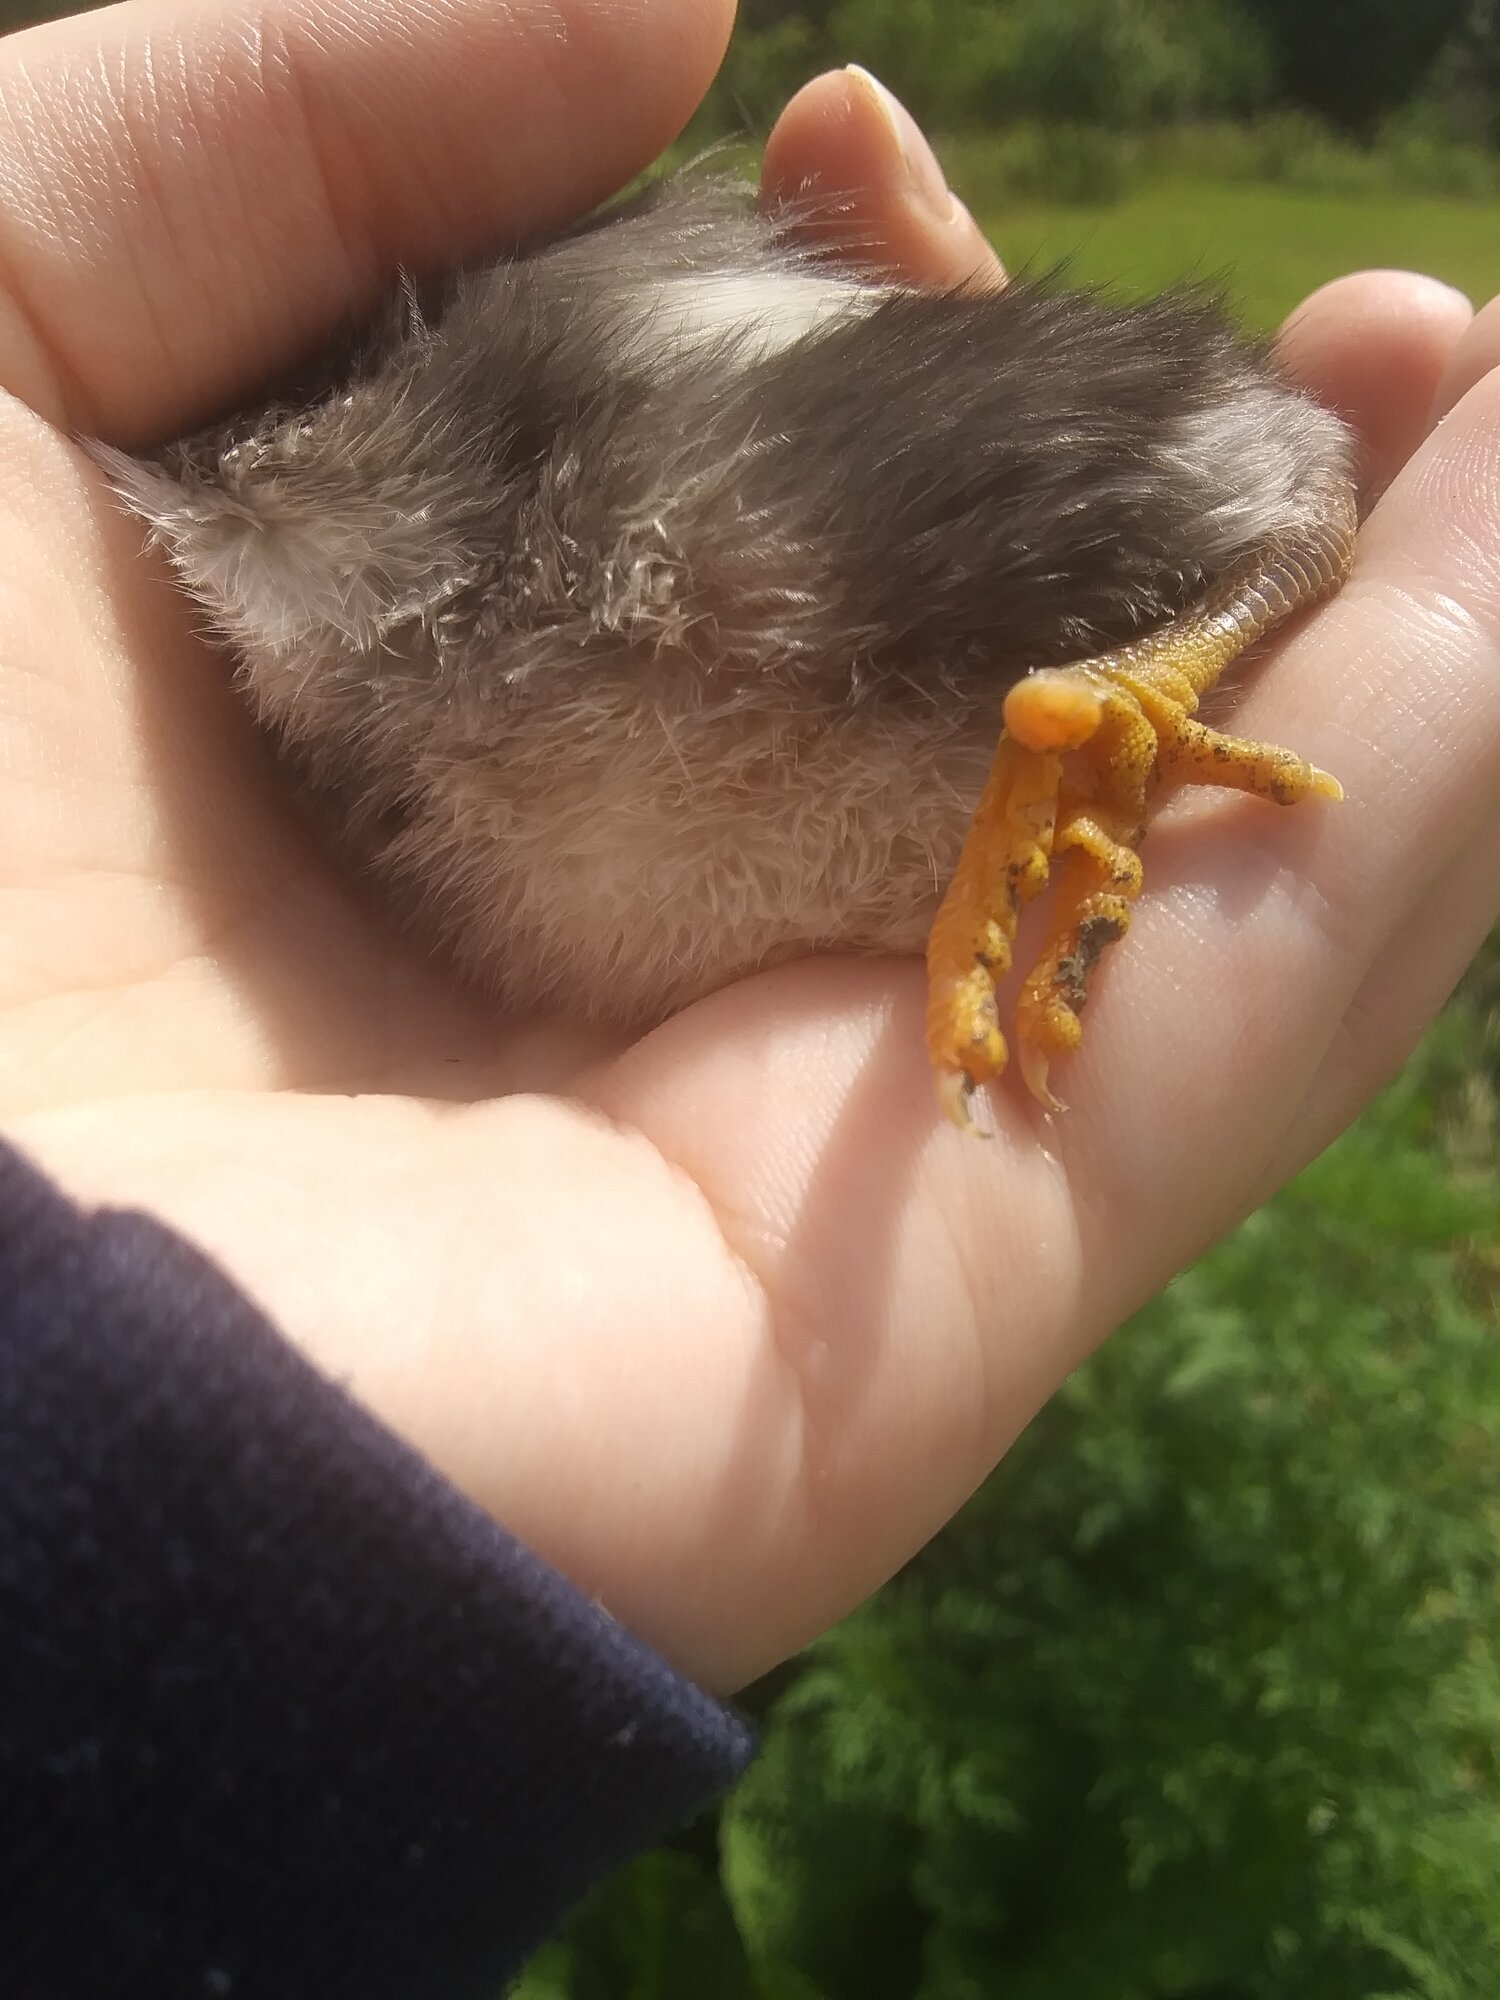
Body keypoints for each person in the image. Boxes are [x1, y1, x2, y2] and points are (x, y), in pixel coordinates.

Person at [0, 0, 1495, 1992]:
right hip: (588, 637)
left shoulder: (343, 593)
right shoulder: (467, 572)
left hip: (502, 649)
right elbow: (1277, 467)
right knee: (1249, 496)